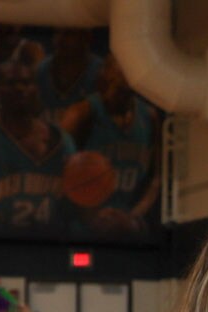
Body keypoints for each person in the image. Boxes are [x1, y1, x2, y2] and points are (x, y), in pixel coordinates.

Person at [0, 59, 75, 233]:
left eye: (26, 83)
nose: (20, 89)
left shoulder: (59, 140)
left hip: (51, 244)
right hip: (0, 243)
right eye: (11, 83)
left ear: (36, 89)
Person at [59, 52, 161, 236]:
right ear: (103, 77)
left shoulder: (149, 117)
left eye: (124, 87)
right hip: (83, 229)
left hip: (129, 228)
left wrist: (131, 217)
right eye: (114, 83)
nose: (118, 91)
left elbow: (155, 179)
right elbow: (57, 175)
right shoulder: (81, 115)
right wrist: (90, 216)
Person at [36, 27, 101, 114]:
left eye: (69, 33)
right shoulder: (42, 70)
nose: (60, 39)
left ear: (87, 37)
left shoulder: (100, 72)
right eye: (57, 32)